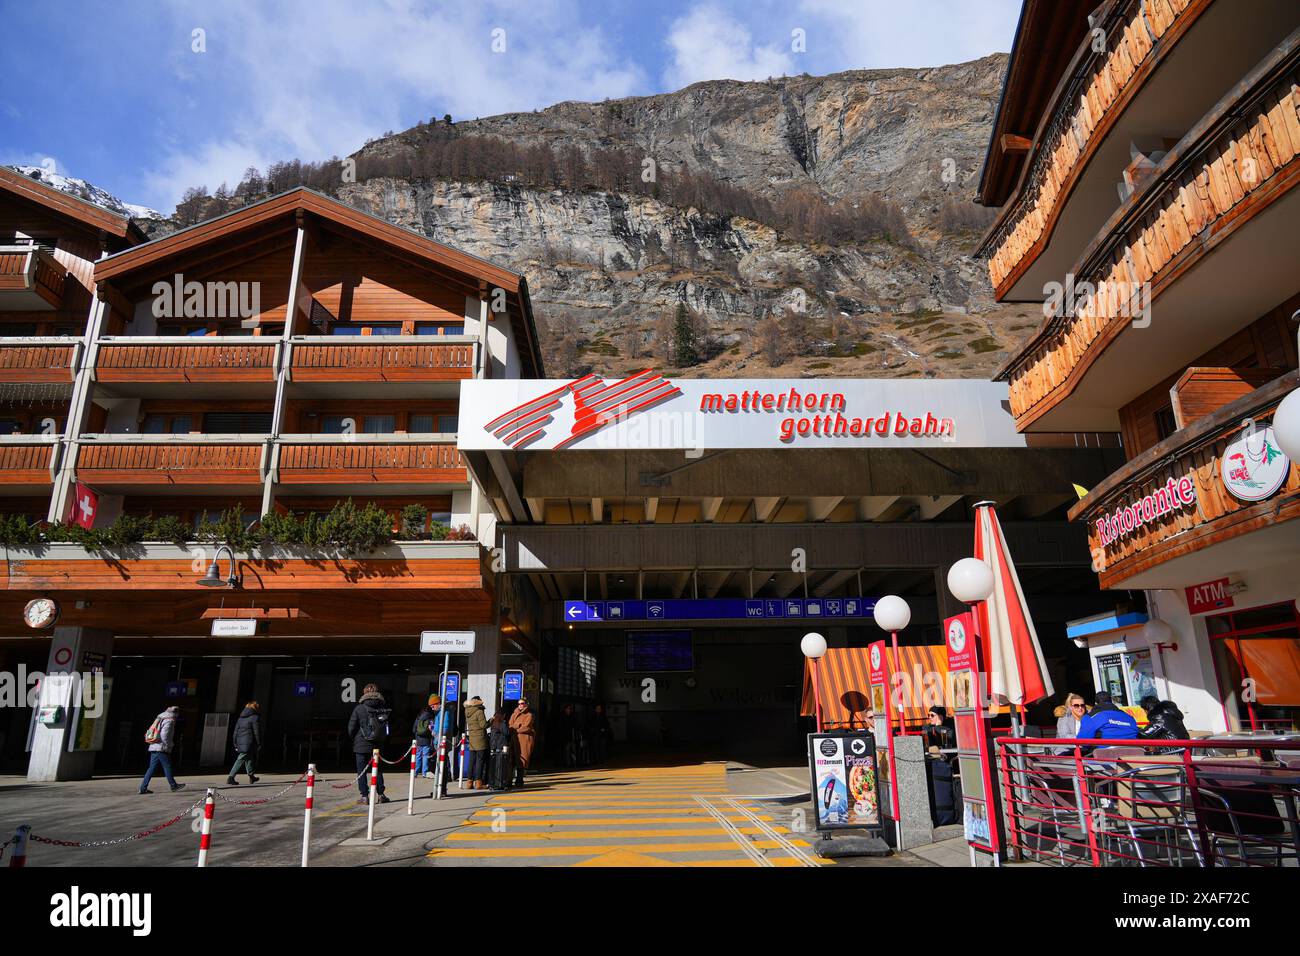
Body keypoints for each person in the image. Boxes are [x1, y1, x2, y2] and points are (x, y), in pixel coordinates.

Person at [347, 683, 392, 804]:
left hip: (361, 744)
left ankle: (364, 796)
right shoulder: (383, 707)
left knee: (361, 771)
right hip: (378, 744)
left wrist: (355, 739)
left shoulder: (359, 708)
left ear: (364, 693)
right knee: (377, 770)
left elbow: (351, 727)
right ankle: (381, 794)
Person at [139, 705, 186, 794]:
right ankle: (173, 785)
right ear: (175, 713)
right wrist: (167, 746)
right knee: (167, 766)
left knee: (151, 768)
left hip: (154, 745)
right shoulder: (170, 720)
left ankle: (142, 788)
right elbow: (165, 735)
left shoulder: (160, 717)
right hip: (161, 747)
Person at [226, 701, 261, 785]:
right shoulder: (255, 717)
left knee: (249, 758)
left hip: (240, 741)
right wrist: (259, 742)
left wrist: (235, 742)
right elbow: (257, 732)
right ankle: (231, 777)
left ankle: (251, 776)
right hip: (248, 742)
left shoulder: (240, 718)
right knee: (241, 758)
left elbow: (235, 731)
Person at [509, 698, 537, 787]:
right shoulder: (514, 714)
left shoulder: (529, 715)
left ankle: (519, 781)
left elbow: (526, 727)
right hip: (514, 740)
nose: (520, 705)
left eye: (522, 703)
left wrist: (515, 727)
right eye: (519, 704)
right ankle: (509, 780)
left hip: (523, 741)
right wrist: (517, 726)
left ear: (526, 704)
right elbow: (510, 726)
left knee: (521, 761)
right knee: (512, 760)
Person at [464, 696, 489, 789]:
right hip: (480, 739)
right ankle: (478, 783)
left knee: (471, 761)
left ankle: (469, 782)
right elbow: (483, 725)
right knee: (479, 761)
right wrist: (491, 721)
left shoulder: (467, 711)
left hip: (472, 739)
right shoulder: (479, 712)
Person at [487, 711, 514, 791]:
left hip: (493, 746)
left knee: (493, 765)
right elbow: (506, 733)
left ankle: (493, 783)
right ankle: (502, 783)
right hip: (501, 746)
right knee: (502, 765)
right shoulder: (502, 723)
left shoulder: (493, 723)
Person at [412, 697, 436, 778]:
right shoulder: (431, 718)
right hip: (426, 740)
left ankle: (415, 772)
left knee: (418, 756)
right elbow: (432, 730)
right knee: (425, 756)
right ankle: (424, 772)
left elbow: (414, 729)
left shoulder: (418, 718)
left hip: (418, 740)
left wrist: (417, 736)